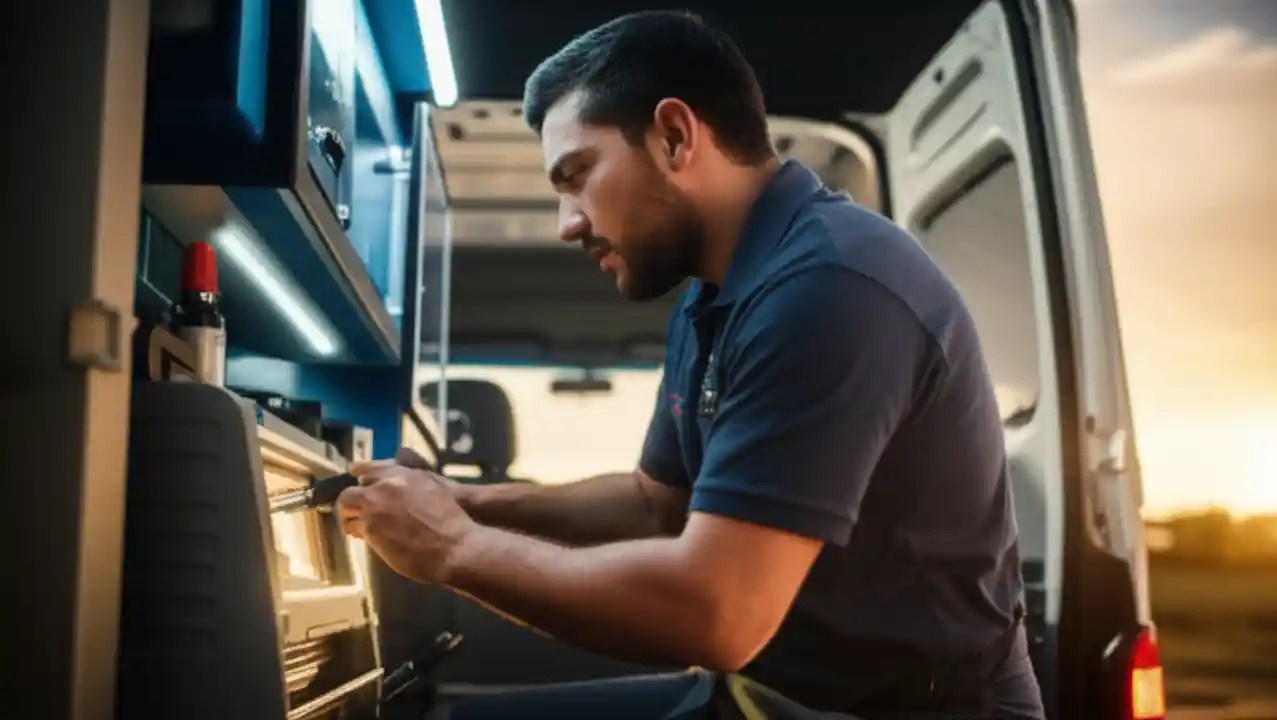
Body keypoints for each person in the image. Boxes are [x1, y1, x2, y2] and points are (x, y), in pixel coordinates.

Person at [338, 10, 1045, 720]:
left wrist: (454, 548)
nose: (567, 222)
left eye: (576, 175)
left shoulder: (831, 284)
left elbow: (718, 617)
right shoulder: (713, 295)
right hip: (769, 697)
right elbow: (656, 504)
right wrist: (465, 501)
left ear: (675, 136)